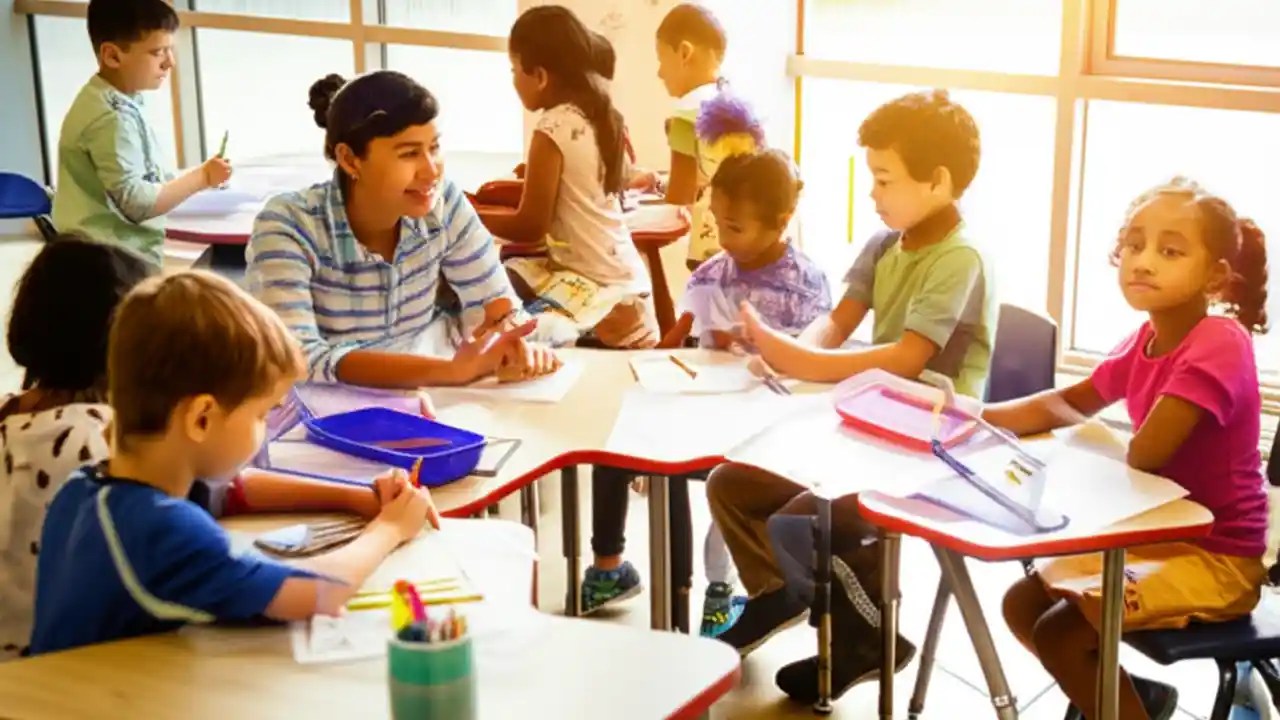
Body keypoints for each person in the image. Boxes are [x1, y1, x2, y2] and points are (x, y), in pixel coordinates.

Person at [705, 89, 994, 703]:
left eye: (885, 179)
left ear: (938, 180)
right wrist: (784, 353)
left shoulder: (960, 258)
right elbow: (834, 325)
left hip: (931, 451)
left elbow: (907, 359)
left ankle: (872, 635)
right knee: (730, 485)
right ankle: (777, 595)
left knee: (799, 523)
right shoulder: (887, 243)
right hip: (875, 430)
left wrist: (801, 358)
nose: (873, 193)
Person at [28, 271, 439, 656]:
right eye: (261, 414)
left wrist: (362, 500)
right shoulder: (158, 527)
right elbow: (318, 592)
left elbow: (230, 491)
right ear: (201, 418)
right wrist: (389, 529)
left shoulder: (83, 490)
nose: (264, 428)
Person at [990, 178, 1270, 720]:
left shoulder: (1219, 342)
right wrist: (971, 420)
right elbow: (1067, 402)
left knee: (1063, 635)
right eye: (1134, 244)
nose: (1143, 262)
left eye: (1169, 251)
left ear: (1215, 276)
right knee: (1022, 603)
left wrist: (1077, 448)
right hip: (1158, 538)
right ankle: (1133, 703)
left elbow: (1146, 456)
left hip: (1217, 558)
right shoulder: (1141, 340)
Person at [584, 148, 832, 637]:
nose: (722, 238)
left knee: (728, 479)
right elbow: (679, 338)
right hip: (703, 411)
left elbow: (812, 371)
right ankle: (614, 569)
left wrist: (763, 350)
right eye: (717, 222)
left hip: (766, 429)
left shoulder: (806, 286)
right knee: (617, 446)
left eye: (735, 227)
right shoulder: (712, 273)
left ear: (781, 222)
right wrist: (639, 348)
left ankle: (725, 590)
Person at [246, 70, 558, 387]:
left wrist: (511, 344)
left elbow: (495, 307)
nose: (431, 170)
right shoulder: (287, 226)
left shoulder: (443, 203)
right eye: (409, 153)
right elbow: (293, 358)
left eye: (434, 148)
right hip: (328, 412)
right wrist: (453, 372)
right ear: (350, 160)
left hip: (436, 395)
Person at [479, 5, 655, 349]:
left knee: (495, 303)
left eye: (514, 70)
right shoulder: (602, 117)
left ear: (540, 76)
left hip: (598, 293)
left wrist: (468, 215)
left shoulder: (552, 128)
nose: (513, 79)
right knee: (515, 273)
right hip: (629, 280)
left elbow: (530, 226)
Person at [53, 0, 232, 264]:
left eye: (171, 50)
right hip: (108, 261)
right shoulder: (110, 118)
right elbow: (138, 204)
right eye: (158, 52)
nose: (169, 63)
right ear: (112, 56)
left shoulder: (117, 97)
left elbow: (148, 175)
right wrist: (202, 177)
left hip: (112, 252)